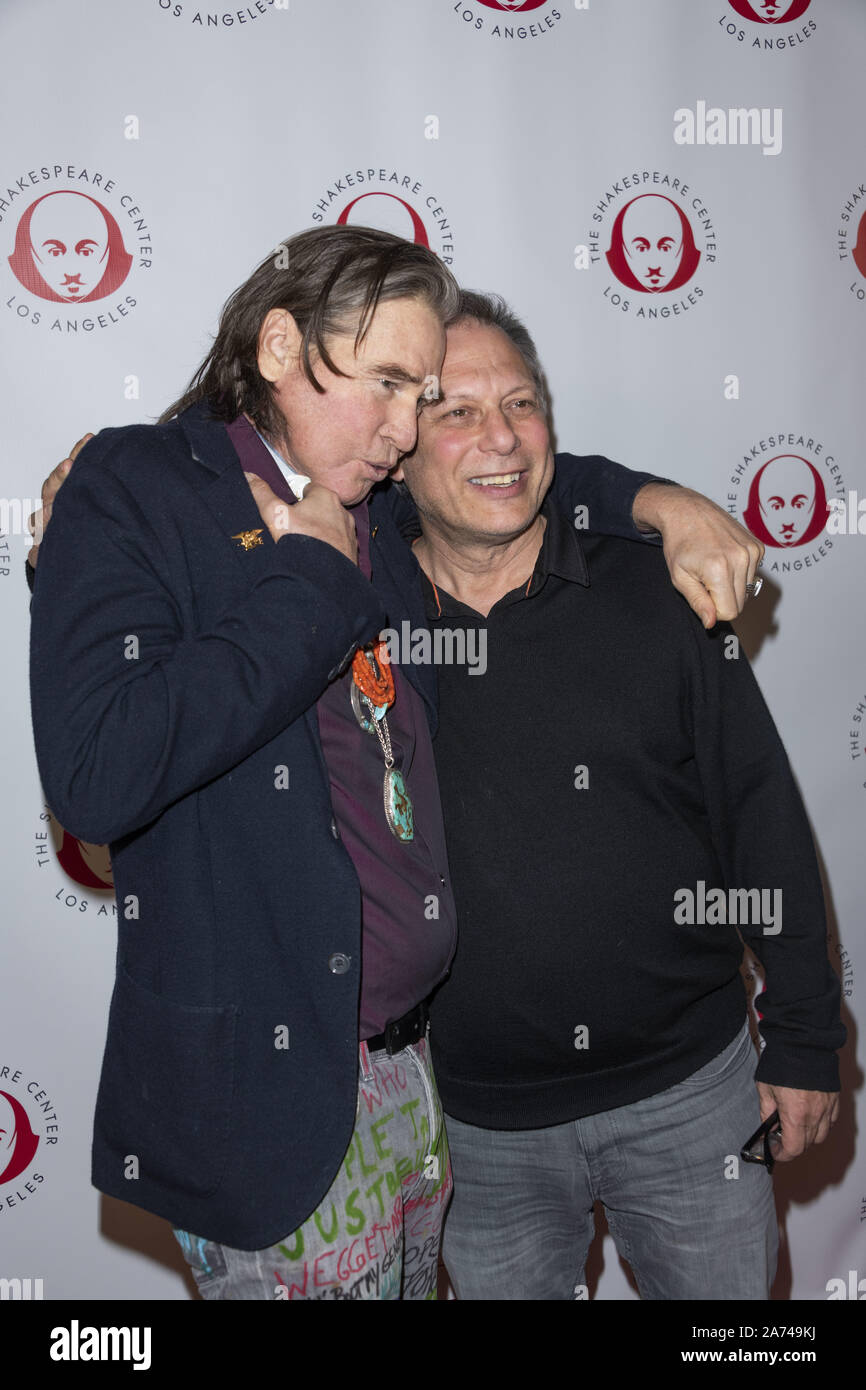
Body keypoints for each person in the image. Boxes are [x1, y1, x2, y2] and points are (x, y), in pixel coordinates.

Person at [28, 225, 763, 1300]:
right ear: (278, 346)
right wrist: (304, 585)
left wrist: (660, 502)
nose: (400, 427)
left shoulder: (378, 507)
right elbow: (94, 774)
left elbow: (514, 477)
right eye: (381, 382)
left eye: (416, 392)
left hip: (418, 1083)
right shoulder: (142, 486)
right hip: (278, 1100)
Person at [392, 293, 844, 1300]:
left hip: (696, 1095)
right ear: (395, 445)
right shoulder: (359, 614)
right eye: (454, 412)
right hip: (475, 1127)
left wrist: (808, 1040)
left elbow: (757, 814)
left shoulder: (656, 591)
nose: (499, 437)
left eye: (518, 403)